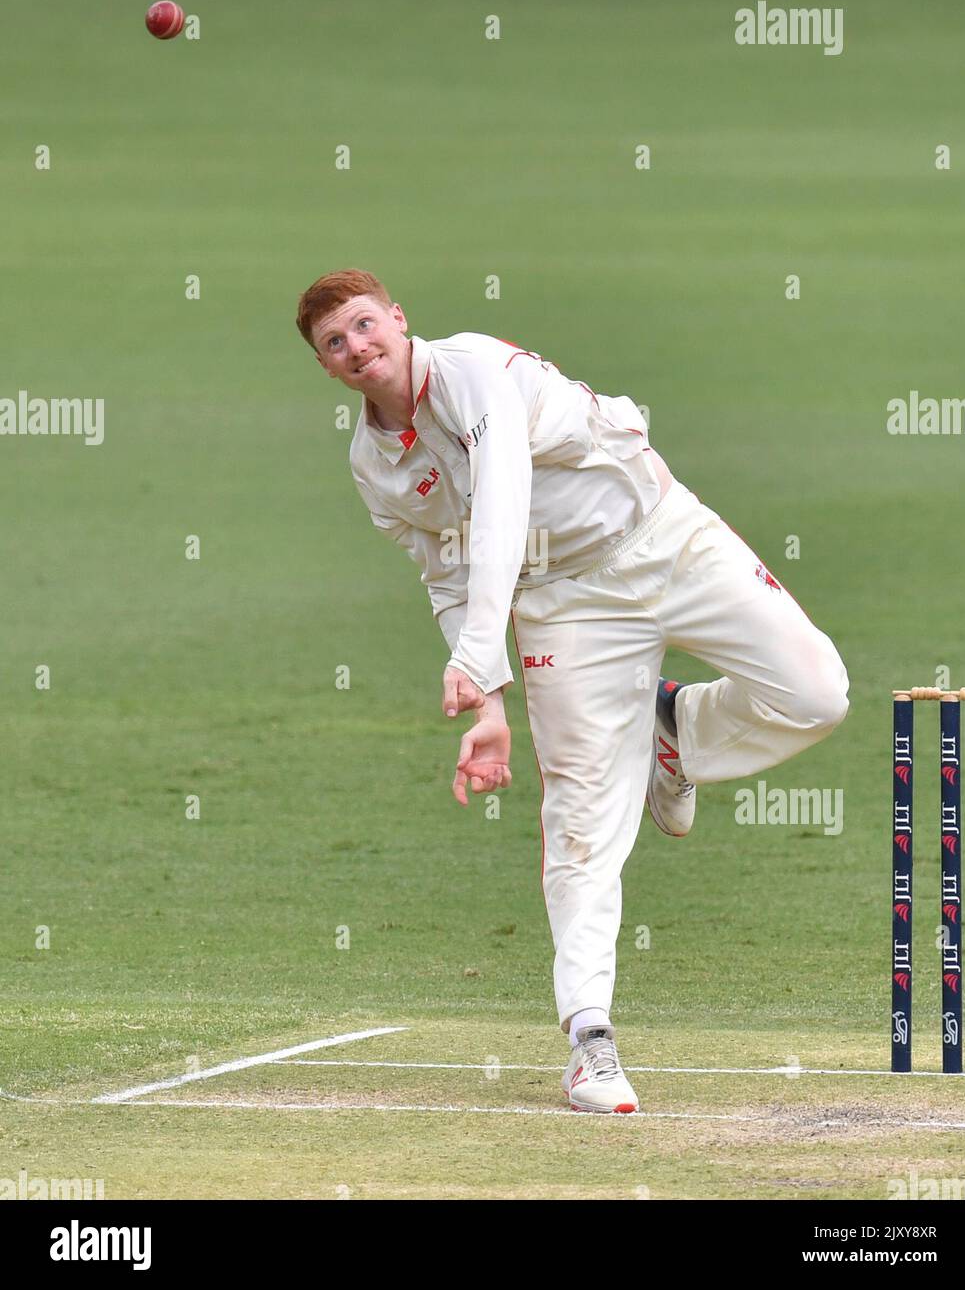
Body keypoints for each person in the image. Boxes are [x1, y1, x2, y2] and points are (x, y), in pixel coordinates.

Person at [295, 268, 850, 1115]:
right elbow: (445, 575)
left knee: (817, 694)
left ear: (399, 320)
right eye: (335, 343)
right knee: (584, 819)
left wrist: (481, 657)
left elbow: (503, 502)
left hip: (662, 536)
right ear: (326, 367)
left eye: (365, 325)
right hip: (562, 608)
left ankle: (674, 733)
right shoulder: (374, 468)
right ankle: (590, 1040)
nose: (356, 347)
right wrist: (485, 704)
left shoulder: (476, 369)